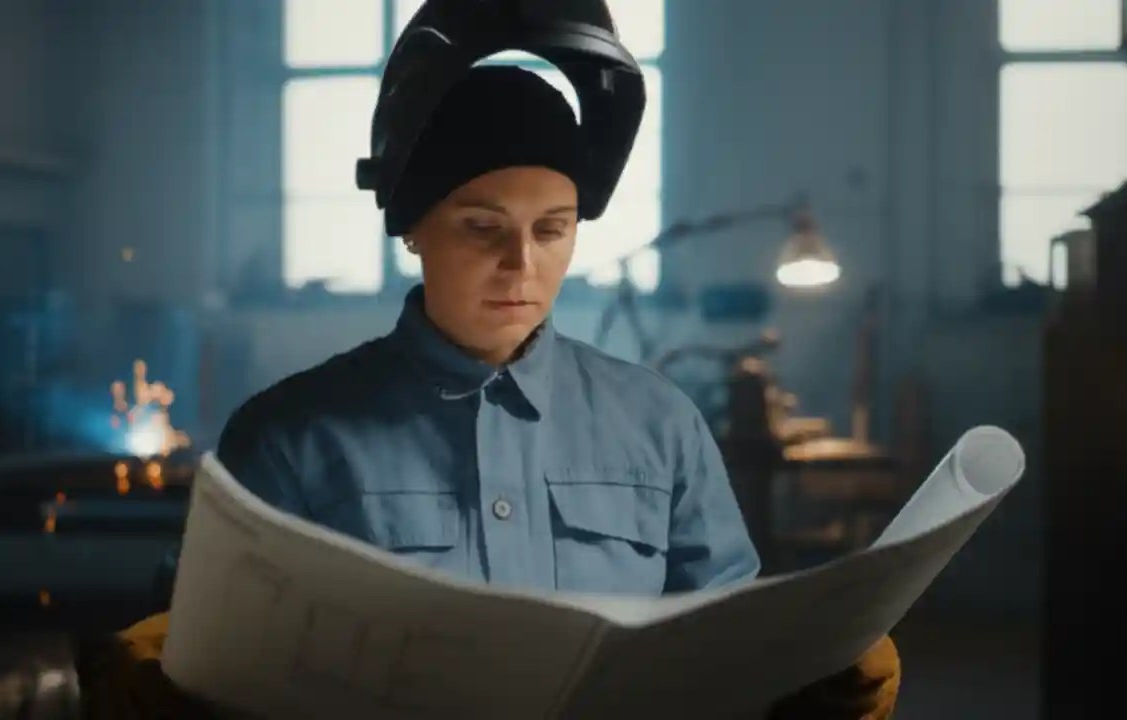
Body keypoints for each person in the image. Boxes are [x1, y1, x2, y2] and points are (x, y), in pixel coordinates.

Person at [79, 3, 899, 718]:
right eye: (482, 226)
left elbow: (729, 650)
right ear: (413, 226)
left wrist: (803, 677)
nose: (522, 264)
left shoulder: (660, 426)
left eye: (553, 228)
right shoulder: (291, 439)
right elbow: (214, 655)